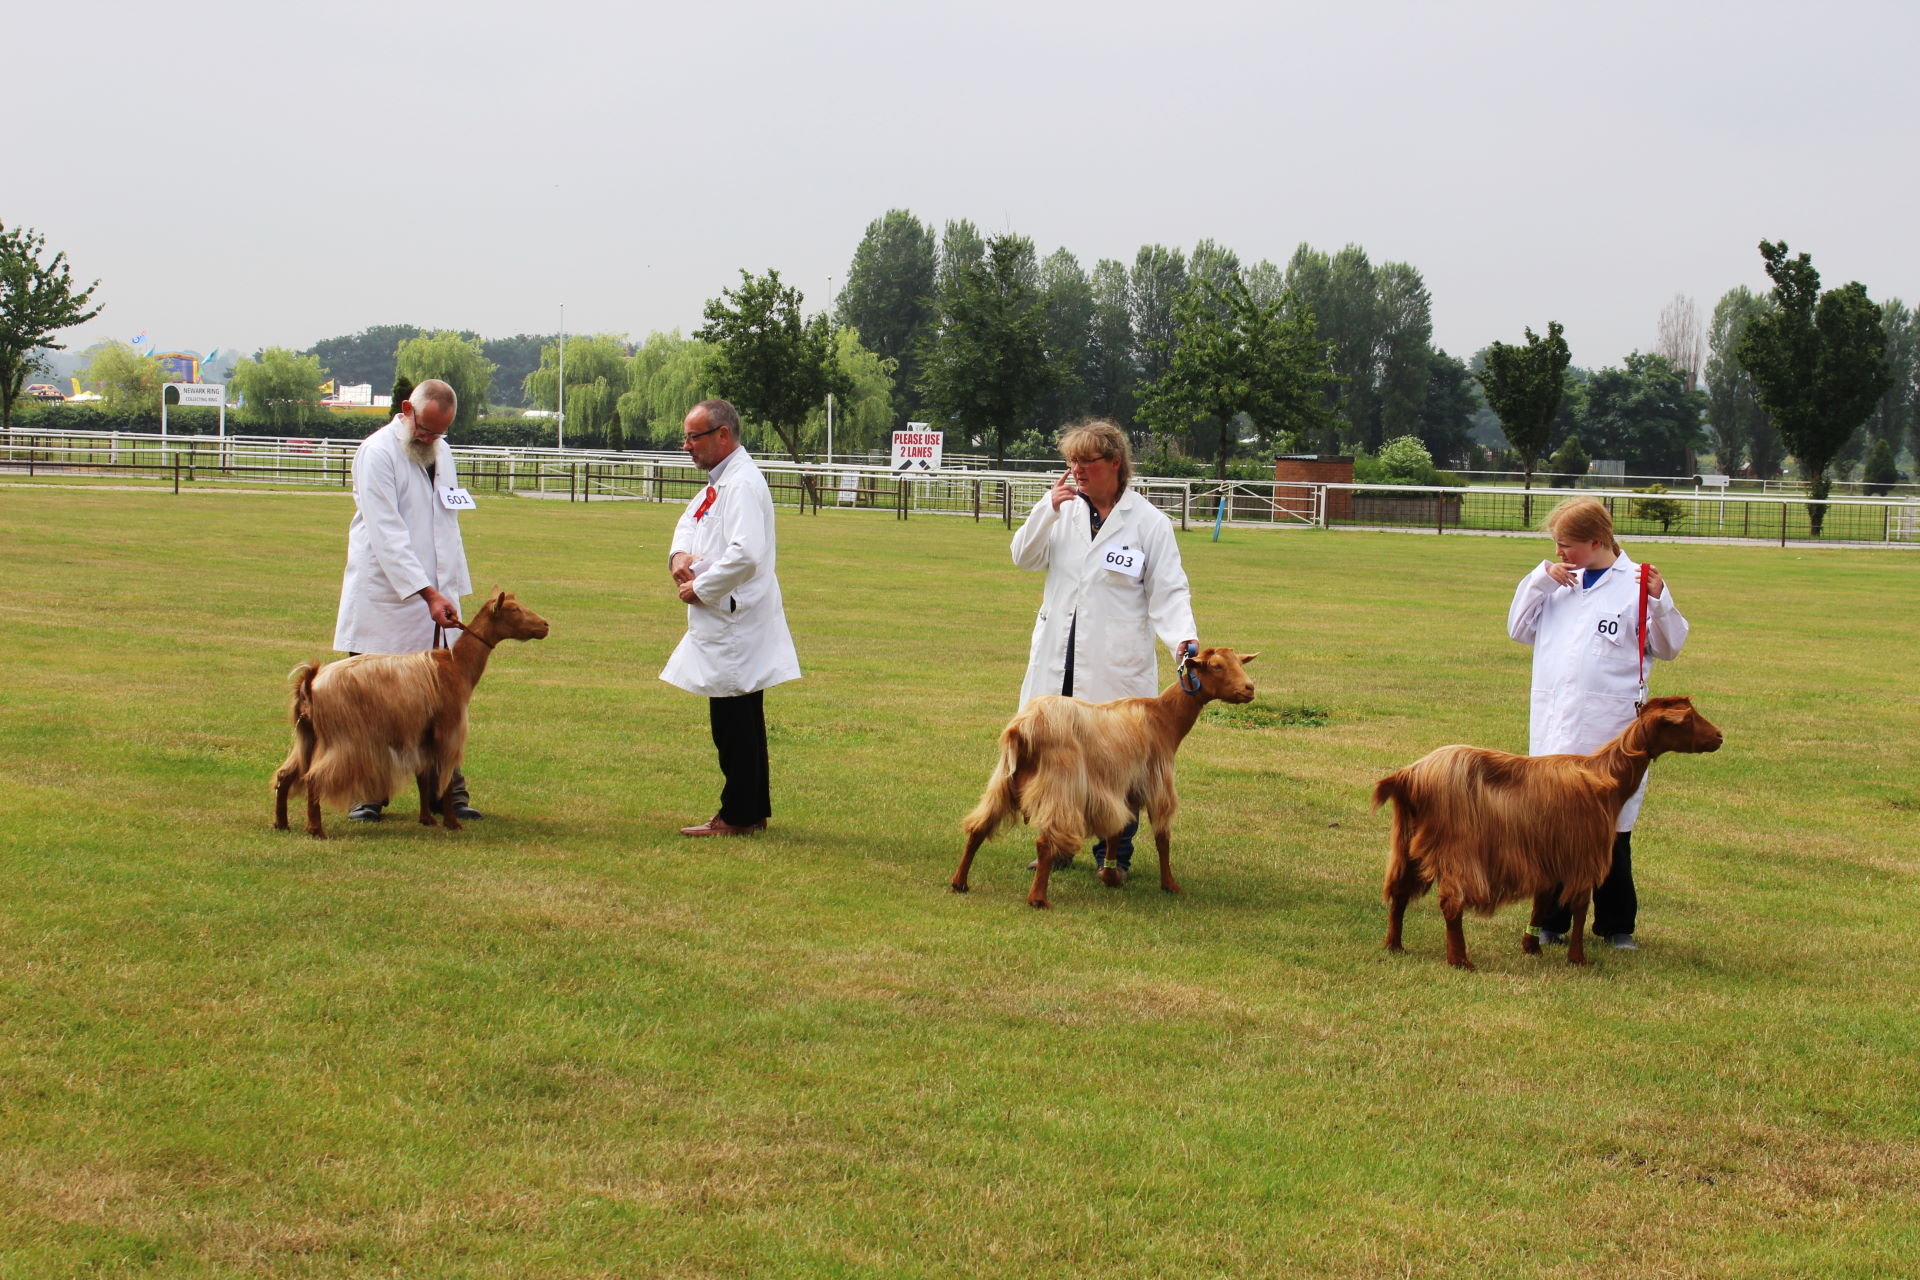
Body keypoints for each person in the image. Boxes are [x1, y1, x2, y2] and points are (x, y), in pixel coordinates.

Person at [1010, 420, 1198, 883]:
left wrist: (1183, 643)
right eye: (1071, 461)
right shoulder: (1062, 512)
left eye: (1085, 461)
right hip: (1061, 655)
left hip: (1116, 660)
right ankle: (1056, 843)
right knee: (1059, 756)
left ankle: (1114, 855)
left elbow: (1169, 591)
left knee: (1118, 761)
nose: (1076, 470)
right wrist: (1045, 510)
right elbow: (1023, 557)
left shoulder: (1148, 523)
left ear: (1114, 463)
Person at [1507, 496, 1691, 950]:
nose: (1560, 553)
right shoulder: (1555, 584)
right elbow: (1518, 629)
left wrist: (1660, 601)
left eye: (1566, 545)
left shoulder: (1638, 583)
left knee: (1610, 828)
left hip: (1609, 729)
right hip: (1556, 723)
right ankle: (1549, 919)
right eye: (1555, 544)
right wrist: (1538, 582)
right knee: (1552, 824)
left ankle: (1615, 925)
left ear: (1597, 541)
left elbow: (1669, 646)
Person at [331, 378, 479, 822]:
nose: (430, 439)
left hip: (436, 593)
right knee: (373, 701)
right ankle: (368, 792)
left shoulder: (442, 452)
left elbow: (444, 521)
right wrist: (427, 592)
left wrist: (449, 586)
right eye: (425, 429)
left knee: (441, 702)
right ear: (406, 410)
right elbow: (387, 532)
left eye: (440, 432)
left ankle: (445, 790)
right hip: (386, 596)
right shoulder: (377, 453)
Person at [661, 399, 801, 837]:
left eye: (693, 437)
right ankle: (750, 809)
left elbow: (746, 553)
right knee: (739, 717)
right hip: (726, 617)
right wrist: (679, 554)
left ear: (723, 435)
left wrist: (699, 587)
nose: (687, 446)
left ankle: (738, 814)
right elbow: (690, 519)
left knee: (734, 724)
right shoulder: (720, 482)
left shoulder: (740, 483)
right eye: (685, 437)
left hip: (733, 619)